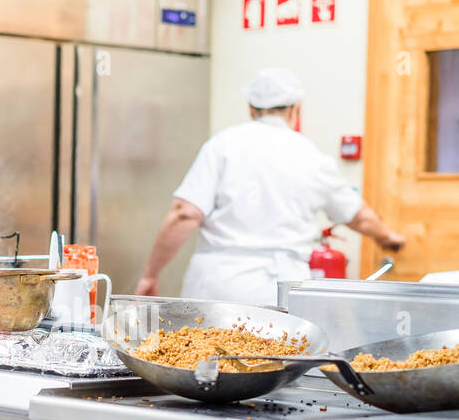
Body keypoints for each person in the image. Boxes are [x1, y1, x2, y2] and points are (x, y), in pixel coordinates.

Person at [134, 66, 405, 305]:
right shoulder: (311, 156)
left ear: (251, 108)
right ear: (295, 108)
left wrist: (150, 274)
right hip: (280, 290)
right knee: (277, 362)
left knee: (206, 361)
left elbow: (184, 214)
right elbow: (358, 216)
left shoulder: (223, 145)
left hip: (218, 289)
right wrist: (388, 238)